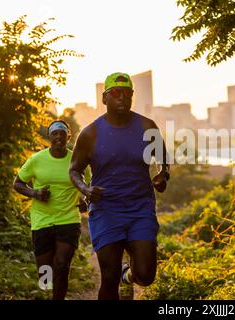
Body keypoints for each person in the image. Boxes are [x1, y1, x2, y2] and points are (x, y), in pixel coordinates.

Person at [69, 72, 170, 300]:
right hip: (106, 210)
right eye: (115, 93)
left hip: (140, 208)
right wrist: (85, 189)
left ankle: (129, 275)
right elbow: (74, 169)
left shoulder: (147, 126)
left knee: (145, 275)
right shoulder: (90, 133)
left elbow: (163, 159)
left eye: (127, 93)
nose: (122, 97)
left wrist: (162, 175)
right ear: (104, 98)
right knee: (109, 275)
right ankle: (119, 276)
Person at [13, 120, 85, 300]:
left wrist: (86, 199)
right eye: (55, 133)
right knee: (45, 275)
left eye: (62, 133)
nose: (59, 137)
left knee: (61, 265)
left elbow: (87, 185)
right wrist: (35, 193)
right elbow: (18, 183)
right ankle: (49, 291)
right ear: (49, 137)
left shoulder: (77, 160)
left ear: (69, 136)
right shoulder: (36, 160)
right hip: (42, 220)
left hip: (68, 219)